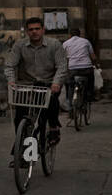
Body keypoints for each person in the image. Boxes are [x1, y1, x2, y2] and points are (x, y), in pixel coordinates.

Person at [4, 17, 68, 165]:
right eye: (31, 29)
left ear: (43, 30)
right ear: (27, 32)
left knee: (50, 104)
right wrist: (11, 80)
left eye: (37, 29)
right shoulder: (20, 46)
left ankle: (53, 128)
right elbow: (10, 65)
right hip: (26, 86)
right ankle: (25, 154)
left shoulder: (54, 45)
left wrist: (56, 83)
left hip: (48, 84)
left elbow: (62, 66)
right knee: (21, 118)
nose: (34, 32)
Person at [63, 27, 97, 111]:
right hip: (86, 68)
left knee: (70, 85)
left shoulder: (65, 43)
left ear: (70, 35)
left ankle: (70, 105)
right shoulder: (86, 41)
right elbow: (93, 57)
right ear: (80, 34)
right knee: (90, 80)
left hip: (72, 69)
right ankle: (90, 95)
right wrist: (96, 64)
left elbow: (64, 59)